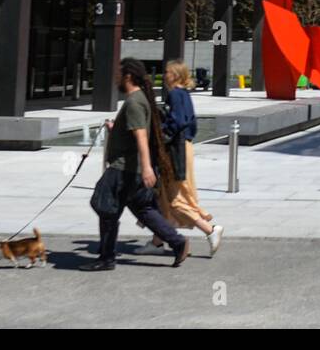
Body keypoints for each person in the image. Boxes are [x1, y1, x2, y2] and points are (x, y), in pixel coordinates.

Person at [83, 58, 189, 271]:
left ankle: (106, 257)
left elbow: (141, 135)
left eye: (118, 75)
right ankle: (177, 242)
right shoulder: (140, 99)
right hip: (134, 168)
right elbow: (136, 133)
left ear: (128, 76)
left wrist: (147, 167)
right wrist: (117, 130)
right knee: (144, 209)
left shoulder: (134, 102)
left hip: (125, 168)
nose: (115, 79)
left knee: (105, 205)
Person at [135, 59, 223, 257]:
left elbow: (178, 121)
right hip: (184, 146)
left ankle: (210, 230)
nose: (164, 75)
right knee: (165, 199)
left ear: (174, 74)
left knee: (176, 199)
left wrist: (161, 135)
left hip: (176, 149)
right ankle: (157, 242)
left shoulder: (175, 94)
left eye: (167, 72)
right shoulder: (183, 93)